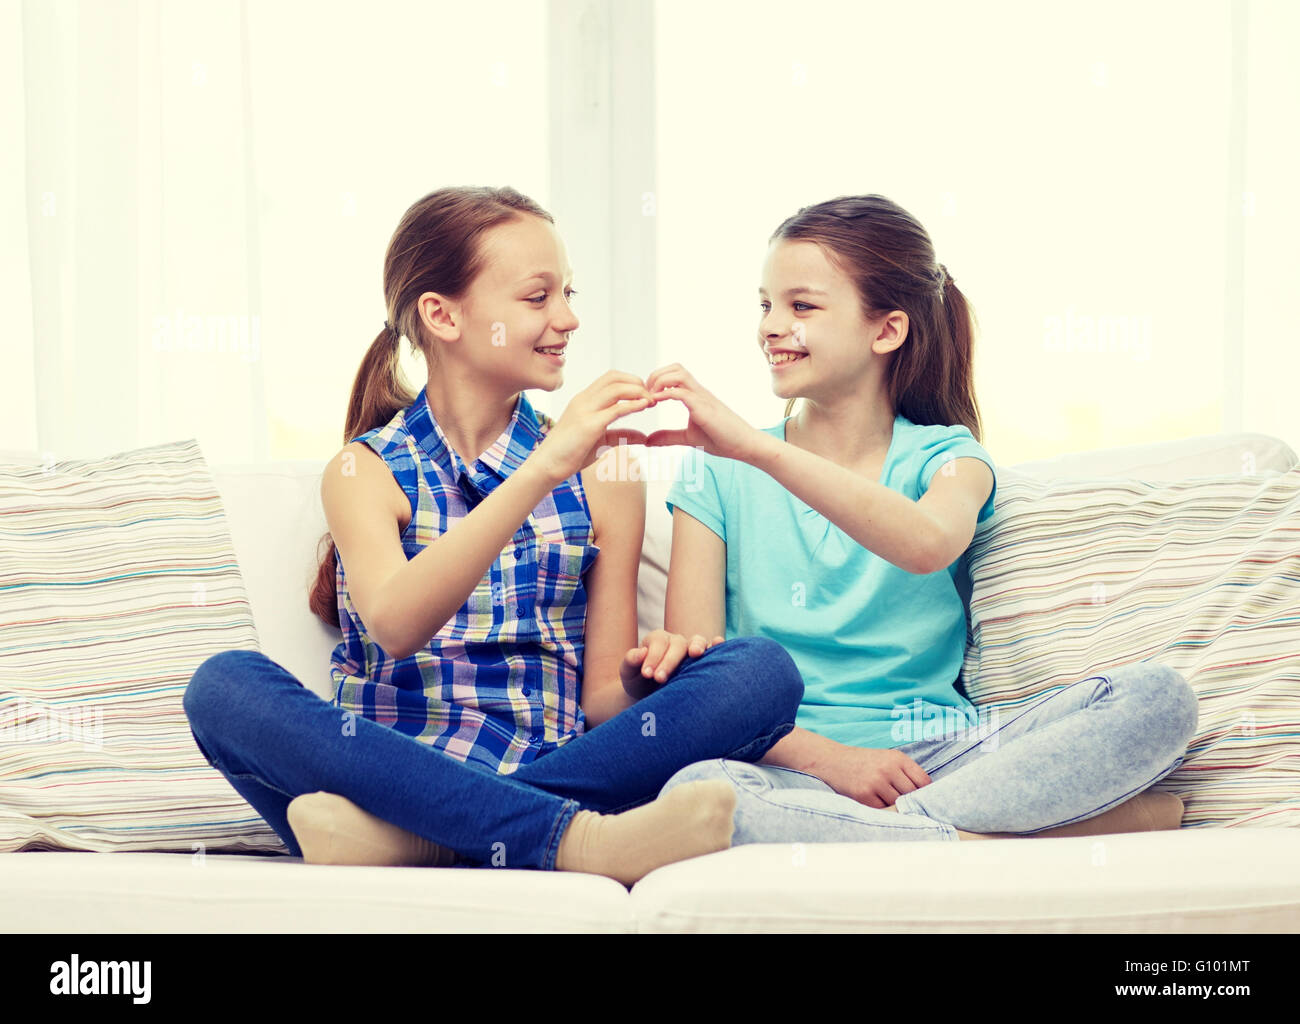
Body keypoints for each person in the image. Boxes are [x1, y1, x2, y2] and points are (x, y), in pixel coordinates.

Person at [183, 185, 804, 885]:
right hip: (384, 770)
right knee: (223, 687)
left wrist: (647, 676)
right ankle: (578, 842)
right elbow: (394, 624)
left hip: (547, 765)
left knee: (761, 675)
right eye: (538, 298)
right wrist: (543, 468)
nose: (568, 318)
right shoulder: (366, 470)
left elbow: (602, 697)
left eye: (568, 293)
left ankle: (428, 841)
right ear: (442, 315)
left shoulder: (607, 475)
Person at [647, 193, 1199, 843]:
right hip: (789, 765)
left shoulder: (950, 458)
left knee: (1159, 698)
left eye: (801, 306)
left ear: (887, 330)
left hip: (942, 757)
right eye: (764, 304)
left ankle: (892, 834)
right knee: (699, 792)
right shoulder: (716, 472)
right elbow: (705, 690)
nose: (770, 326)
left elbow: (929, 541)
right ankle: (970, 840)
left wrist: (757, 448)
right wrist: (834, 762)